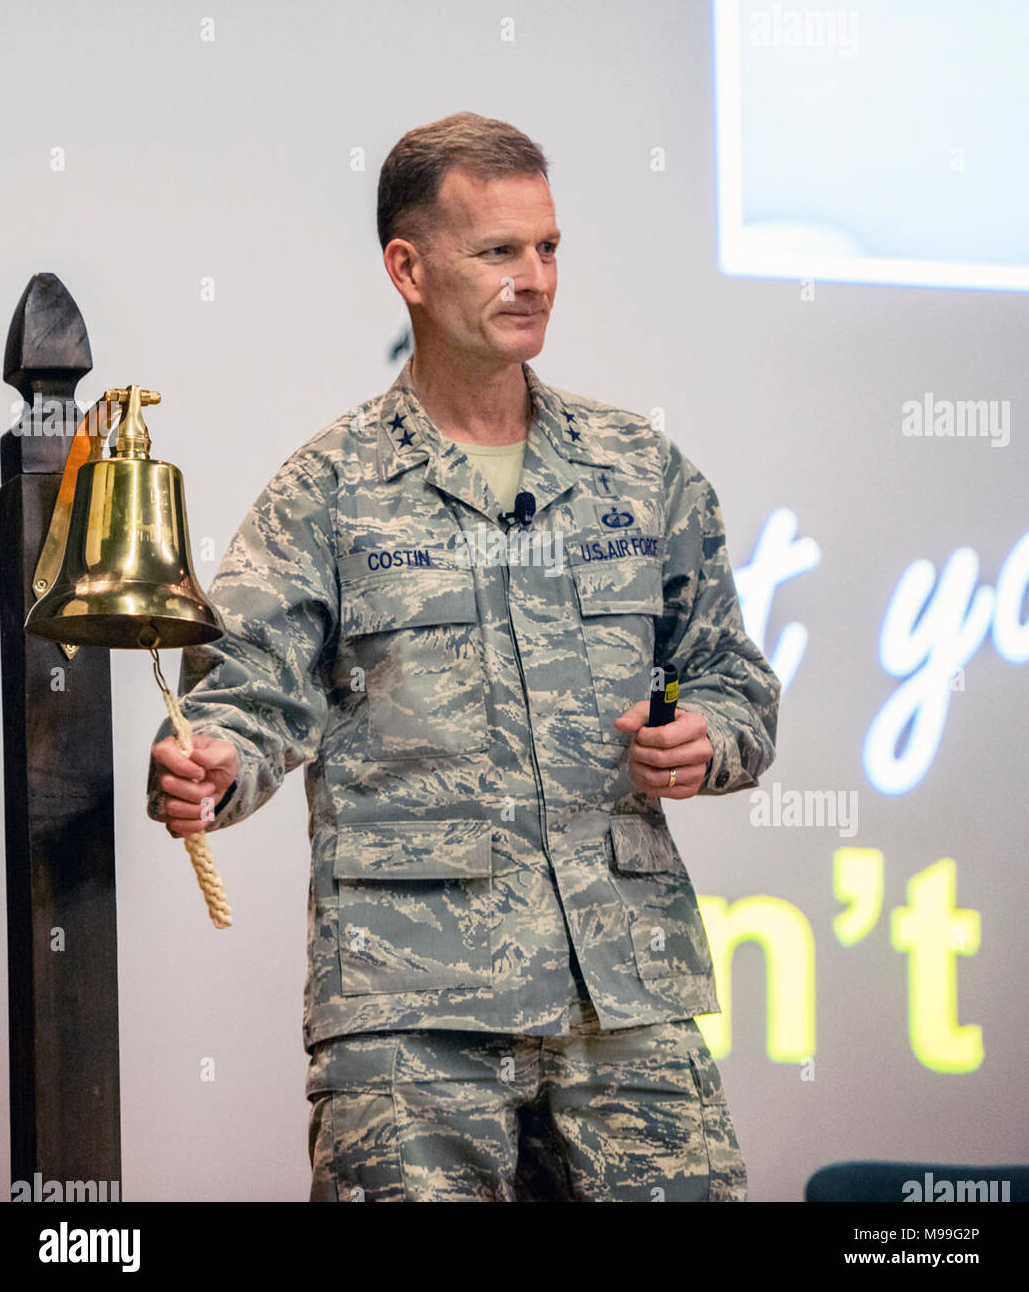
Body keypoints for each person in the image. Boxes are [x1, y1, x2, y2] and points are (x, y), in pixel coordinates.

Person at [147, 111, 781, 1202]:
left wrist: (706, 736)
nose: (533, 277)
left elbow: (733, 677)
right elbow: (249, 693)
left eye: (547, 248)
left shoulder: (640, 469)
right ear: (406, 266)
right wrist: (214, 765)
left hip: (626, 1005)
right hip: (412, 1024)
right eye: (497, 251)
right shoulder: (329, 489)